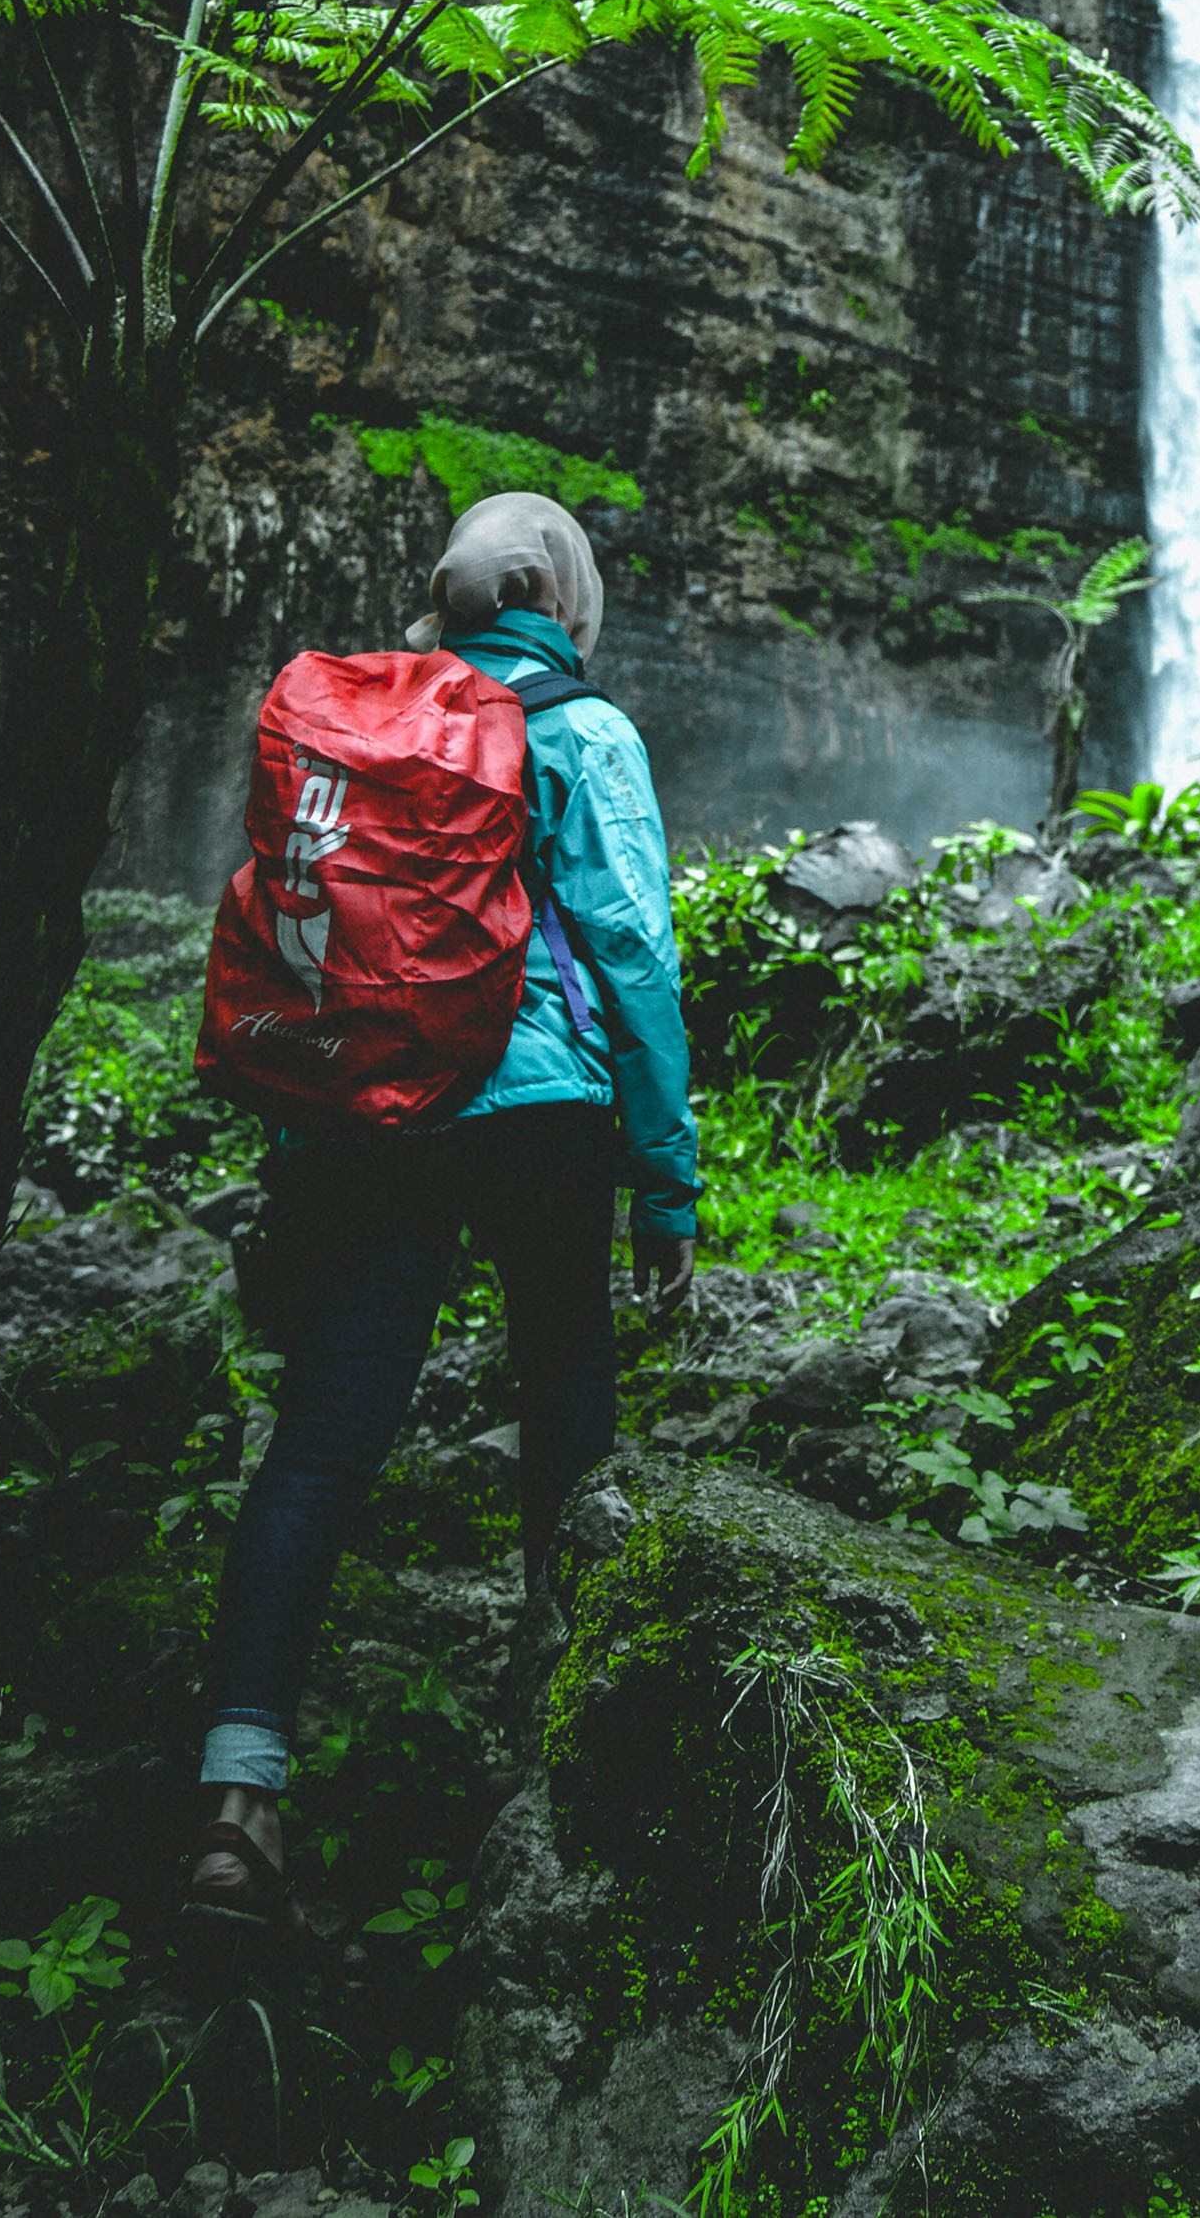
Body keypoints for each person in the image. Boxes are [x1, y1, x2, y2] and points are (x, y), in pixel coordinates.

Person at [184, 494, 700, 1925]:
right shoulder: (585, 733)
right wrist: (667, 1177)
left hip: (378, 1106)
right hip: (539, 1114)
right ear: (561, 592)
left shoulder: (373, 724)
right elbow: (636, 959)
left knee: (322, 1443)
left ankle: (238, 1800)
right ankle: (559, 1744)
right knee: (567, 1405)